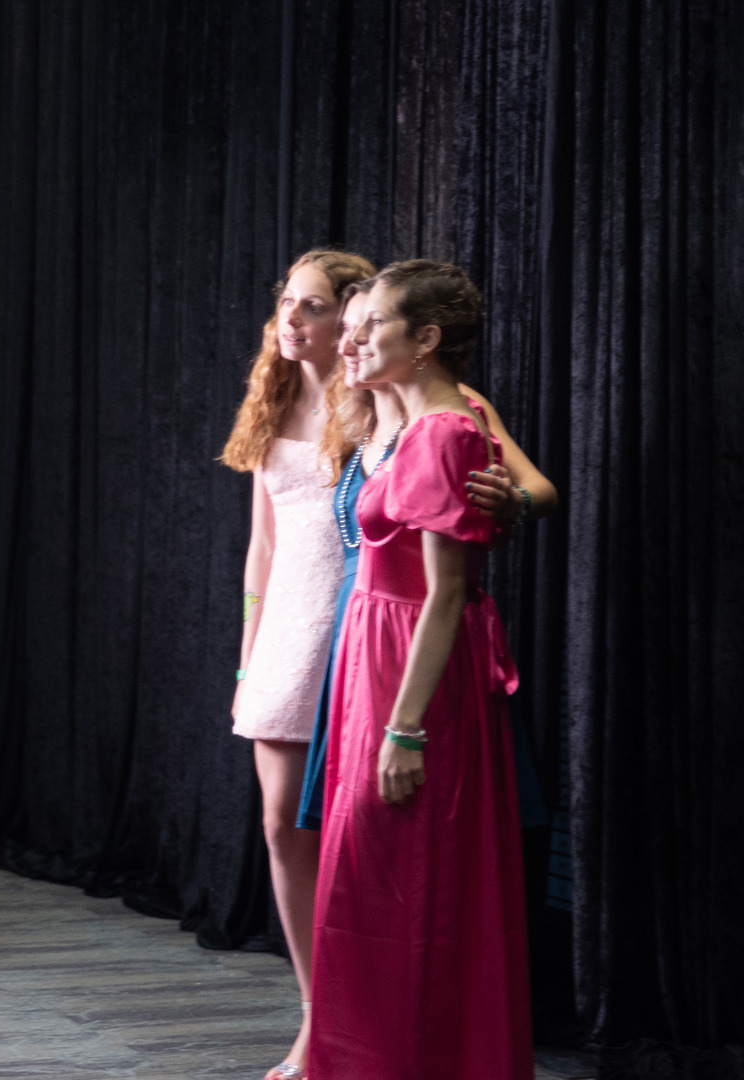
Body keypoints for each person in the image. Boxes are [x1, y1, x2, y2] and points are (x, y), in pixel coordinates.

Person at [309, 260, 531, 1079]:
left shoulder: (447, 431)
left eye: (374, 328)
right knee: (374, 879)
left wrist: (404, 728)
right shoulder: (410, 423)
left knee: (408, 878)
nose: (354, 340)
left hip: (411, 666)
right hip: (377, 656)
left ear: (427, 339)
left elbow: (444, 596)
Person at [219, 248, 375, 1080]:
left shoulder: (376, 405)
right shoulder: (271, 398)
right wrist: (249, 656)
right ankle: (315, 1015)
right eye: (285, 302)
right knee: (282, 824)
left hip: (353, 625)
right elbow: (263, 546)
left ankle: (364, 1009)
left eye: (309, 306)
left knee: (352, 834)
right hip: (284, 630)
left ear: (346, 317)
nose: (289, 319)